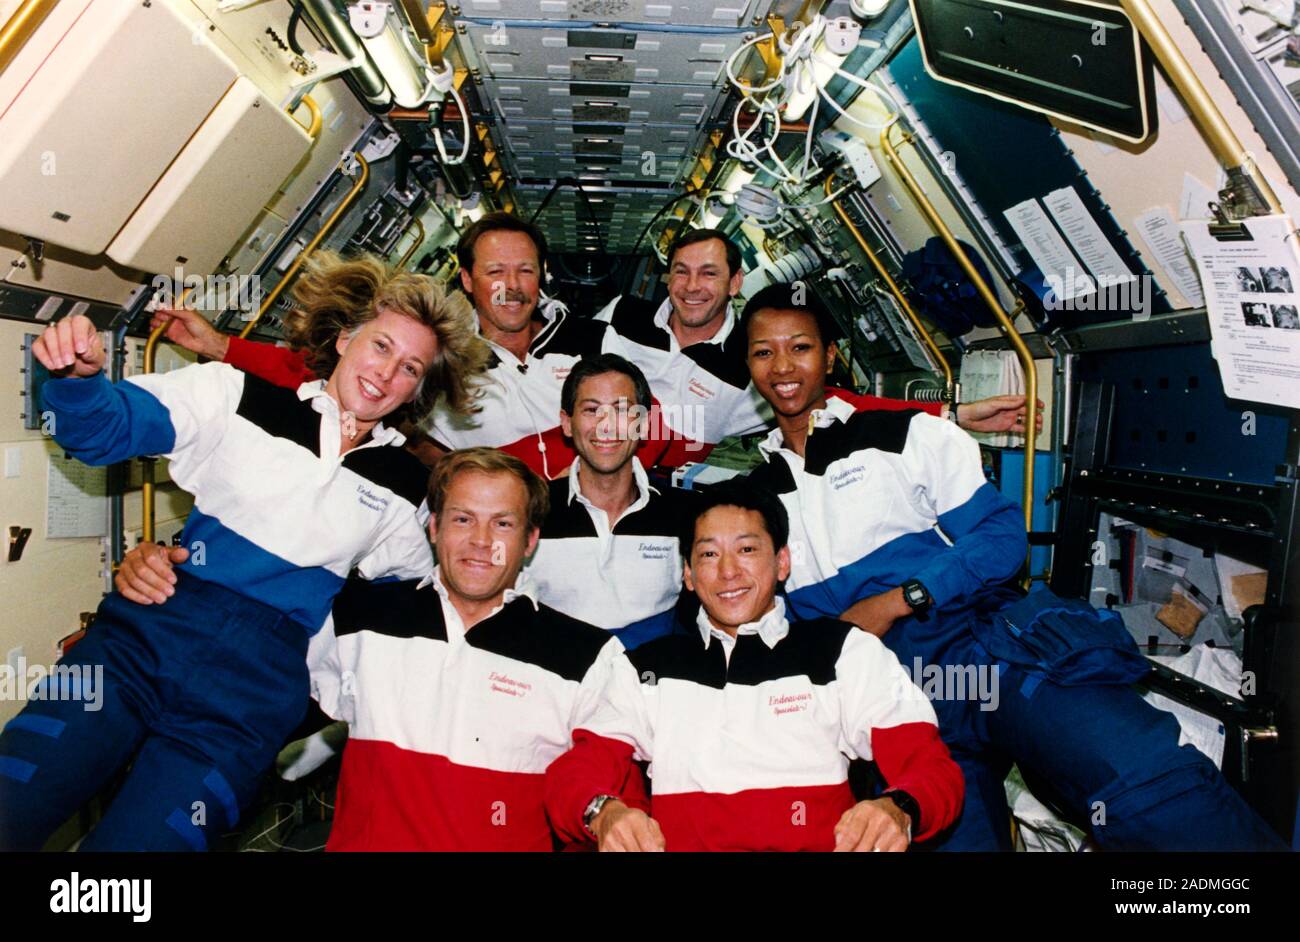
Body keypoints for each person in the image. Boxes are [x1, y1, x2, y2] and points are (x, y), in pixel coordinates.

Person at [736, 281, 1288, 851]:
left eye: (799, 347)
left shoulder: (904, 434)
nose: (782, 366)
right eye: (762, 351)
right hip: (889, 704)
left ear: (829, 354)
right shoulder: (751, 501)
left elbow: (1001, 539)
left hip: (980, 648)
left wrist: (898, 600)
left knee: (1147, 785)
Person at [0, 253, 487, 851]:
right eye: (381, 346)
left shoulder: (403, 487)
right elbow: (108, 429)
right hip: (143, 641)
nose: (388, 374)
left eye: (411, 367)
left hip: (248, 701)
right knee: (14, 797)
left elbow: (408, 604)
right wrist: (76, 382)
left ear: (421, 388)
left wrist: (325, 694)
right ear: (342, 340)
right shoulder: (233, 396)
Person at [545, 480, 965, 851]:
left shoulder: (842, 652)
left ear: (782, 562)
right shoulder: (645, 669)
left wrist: (899, 808)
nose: (728, 572)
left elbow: (931, 768)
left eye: (747, 549)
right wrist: (603, 812)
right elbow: (577, 772)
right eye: (708, 555)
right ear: (689, 574)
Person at [308, 448, 646, 850]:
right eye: (463, 519)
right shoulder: (355, 618)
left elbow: (598, 782)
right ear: (434, 527)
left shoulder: (589, 656)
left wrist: (605, 813)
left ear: (530, 540)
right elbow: (275, 704)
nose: (481, 541)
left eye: (502, 524)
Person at [151, 213, 634, 478]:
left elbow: (659, 412)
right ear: (467, 279)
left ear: (542, 275)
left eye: (525, 270)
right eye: (495, 272)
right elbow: (323, 373)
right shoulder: (440, 357)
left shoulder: (593, 341)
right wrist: (221, 346)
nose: (513, 286)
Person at [596, 228, 1038, 465]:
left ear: (734, 283)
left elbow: (844, 406)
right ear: (667, 276)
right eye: (681, 271)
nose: (692, 287)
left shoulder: (753, 359)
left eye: (709, 273)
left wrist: (955, 414)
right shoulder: (620, 317)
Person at [528, 353, 693, 649]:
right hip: (555, 685)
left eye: (622, 410)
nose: (606, 425)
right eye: (591, 410)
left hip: (651, 684)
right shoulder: (531, 511)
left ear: (643, 424)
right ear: (567, 423)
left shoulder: (684, 515)